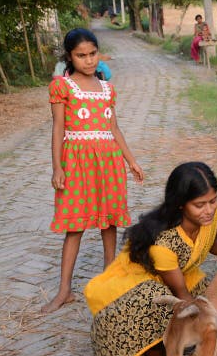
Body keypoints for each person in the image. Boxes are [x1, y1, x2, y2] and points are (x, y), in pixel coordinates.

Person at [84, 162, 217, 356]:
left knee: (211, 295)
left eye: (213, 201)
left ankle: (173, 341)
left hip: (172, 279)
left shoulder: (207, 217)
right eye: (200, 205)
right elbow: (182, 295)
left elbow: (211, 241)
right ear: (180, 204)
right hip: (134, 295)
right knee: (159, 300)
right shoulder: (164, 243)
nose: (209, 210)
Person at [43, 28, 144, 314]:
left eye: (92, 54)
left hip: (108, 162)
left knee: (109, 222)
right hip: (76, 162)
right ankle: (64, 290)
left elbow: (114, 129)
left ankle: (108, 280)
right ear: (69, 57)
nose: (88, 60)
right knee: (74, 226)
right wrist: (57, 167)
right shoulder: (62, 87)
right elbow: (58, 128)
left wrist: (131, 161)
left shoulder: (107, 89)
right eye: (81, 55)